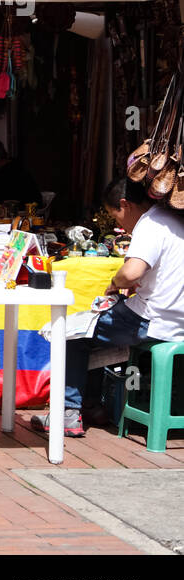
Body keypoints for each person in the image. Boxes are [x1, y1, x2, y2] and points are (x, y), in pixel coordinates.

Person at [32, 178, 184, 437]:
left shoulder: (151, 224)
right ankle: (92, 405)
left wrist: (115, 282)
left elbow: (132, 272)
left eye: (116, 215)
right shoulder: (175, 219)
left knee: (72, 331)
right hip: (175, 319)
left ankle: (68, 412)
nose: (118, 224)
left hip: (153, 319)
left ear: (125, 204)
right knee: (95, 330)